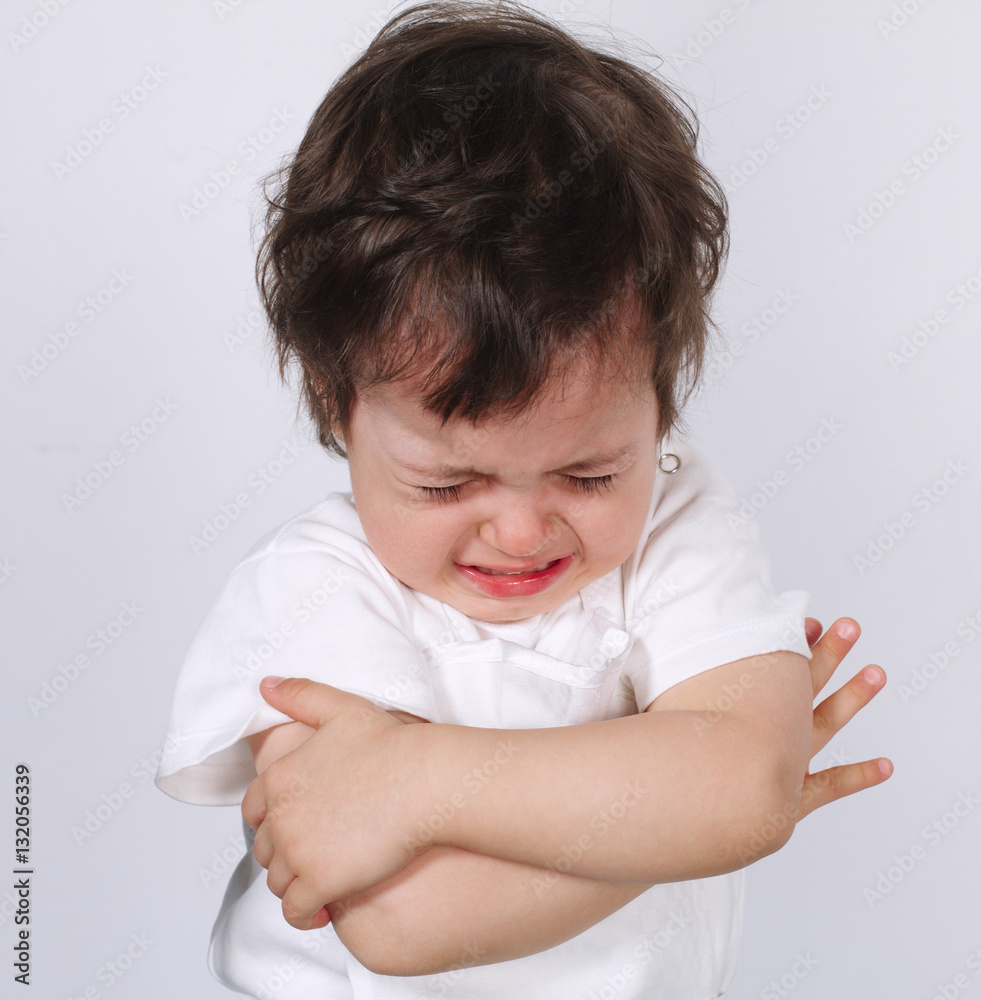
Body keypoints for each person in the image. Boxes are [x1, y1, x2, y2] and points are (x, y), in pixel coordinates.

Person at [154, 3, 892, 997]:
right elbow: (403, 921)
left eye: (589, 474)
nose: (518, 530)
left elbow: (744, 787)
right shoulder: (313, 593)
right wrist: (701, 813)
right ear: (339, 405)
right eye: (446, 481)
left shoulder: (676, 530)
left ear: (662, 402)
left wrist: (416, 778)